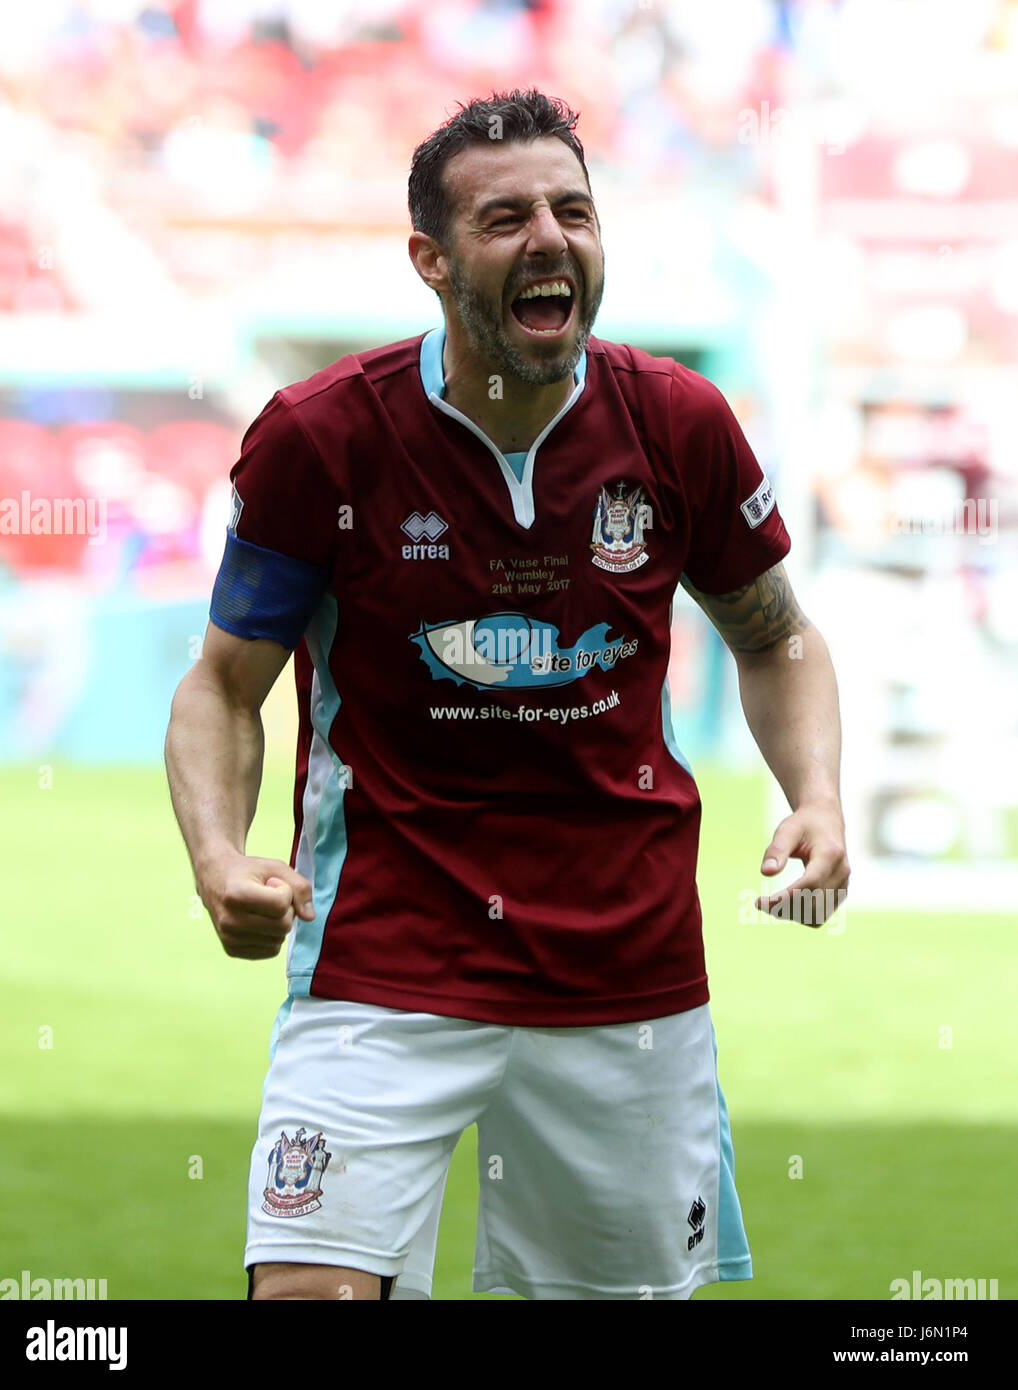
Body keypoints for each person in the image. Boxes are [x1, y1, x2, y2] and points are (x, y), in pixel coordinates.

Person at [164, 88, 850, 1302]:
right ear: (429, 259)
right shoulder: (322, 438)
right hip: (381, 959)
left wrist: (817, 796)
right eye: (505, 218)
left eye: (572, 209)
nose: (550, 237)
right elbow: (225, 684)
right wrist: (217, 851)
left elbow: (776, 637)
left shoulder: (677, 421)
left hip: (623, 978)